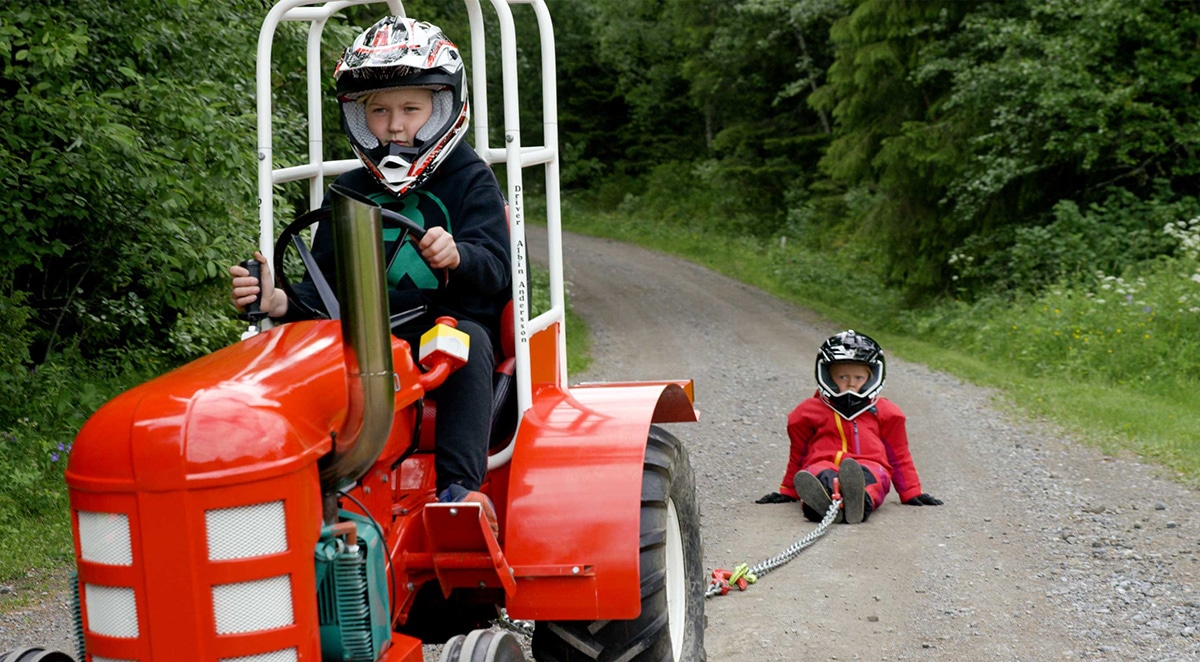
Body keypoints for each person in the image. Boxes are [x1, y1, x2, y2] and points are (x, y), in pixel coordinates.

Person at [229, 16, 509, 535]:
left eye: (411, 108)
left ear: (443, 108)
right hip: (359, 334)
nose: (395, 125)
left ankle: (458, 489)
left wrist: (459, 257)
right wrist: (278, 300)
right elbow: (325, 291)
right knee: (298, 356)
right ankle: (273, 487)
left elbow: (498, 272)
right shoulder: (349, 191)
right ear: (360, 118)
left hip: (442, 328)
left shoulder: (471, 179)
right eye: (378, 111)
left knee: (463, 341)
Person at [756, 330, 942, 524]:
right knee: (816, 473)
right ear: (828, 376)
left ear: (871, 378)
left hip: (870, 465)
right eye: (843, 377)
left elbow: (899, 455)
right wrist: (788, 491)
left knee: (872, 478)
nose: (851, 384)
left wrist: (911, 492)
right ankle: (817, 506)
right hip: (823, 463)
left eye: (859, 378)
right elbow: (799, 454)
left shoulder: (886, 412)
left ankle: (861, 502)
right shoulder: (807, 412)